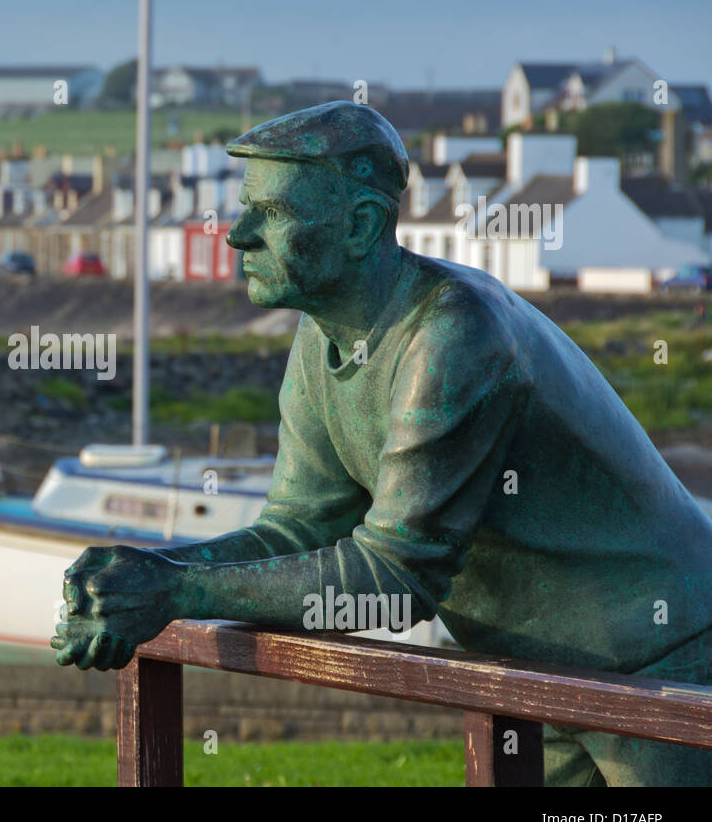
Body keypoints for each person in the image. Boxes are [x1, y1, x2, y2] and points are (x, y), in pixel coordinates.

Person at [51, 101, 712, 786]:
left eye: (270, 214)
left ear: (361, 226)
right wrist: (142, 580)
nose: (237, 235)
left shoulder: (455, 335)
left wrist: (179, 590)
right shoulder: (323, 335)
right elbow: (297, 528)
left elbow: (397, 583)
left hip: (667, 668)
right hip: (548, 680)